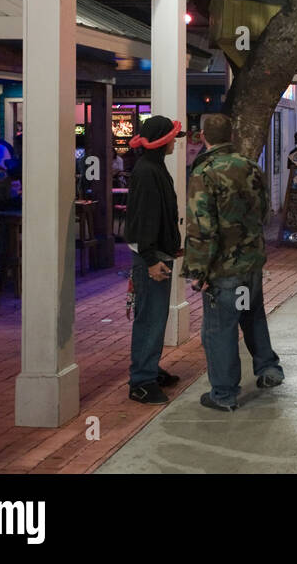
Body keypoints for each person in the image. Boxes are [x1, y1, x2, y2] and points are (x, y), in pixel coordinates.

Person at [184, 113, 282, 412]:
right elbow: (264, 210)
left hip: (223, 268)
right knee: (253, 316)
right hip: (251, 261)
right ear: (232, 136)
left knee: (219, 329)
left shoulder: (205, 172)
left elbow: (202, 227)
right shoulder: (250, 165)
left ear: (203, 136)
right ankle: (269, 369)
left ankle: (224, 393)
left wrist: (197, 271)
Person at [125, 115, 185, 405]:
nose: (175, 142)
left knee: (155, 317)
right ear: (163, 141)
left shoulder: (153, 168)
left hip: (158, 253)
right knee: (150, 318)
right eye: (173, 137)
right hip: (152, 258)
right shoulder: (148, 172)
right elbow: (143, 219)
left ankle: (149, 368)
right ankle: (141, 381)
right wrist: (150, 259)